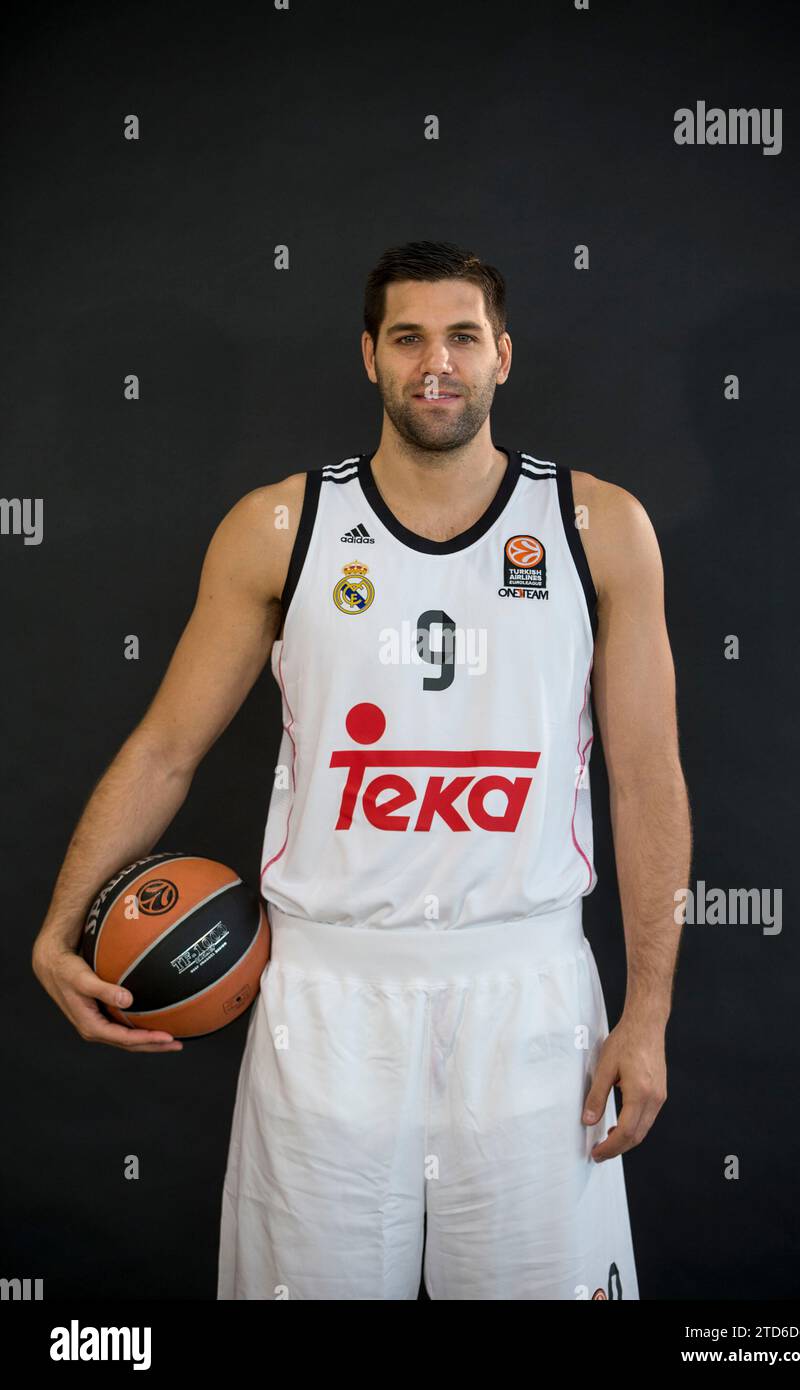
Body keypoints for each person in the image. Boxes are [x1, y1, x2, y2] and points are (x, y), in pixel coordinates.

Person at [32, 239, 691, 1300]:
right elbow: (165, 747)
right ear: (368, 358)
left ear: (503, 356)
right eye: (408, 337)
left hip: (527, 999)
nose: (437, 360)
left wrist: (646, 1015)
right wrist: (60, 927)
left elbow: (645, 779)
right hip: (326, 1001)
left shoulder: (594, 527)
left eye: (462, 336)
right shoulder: (277, 529)